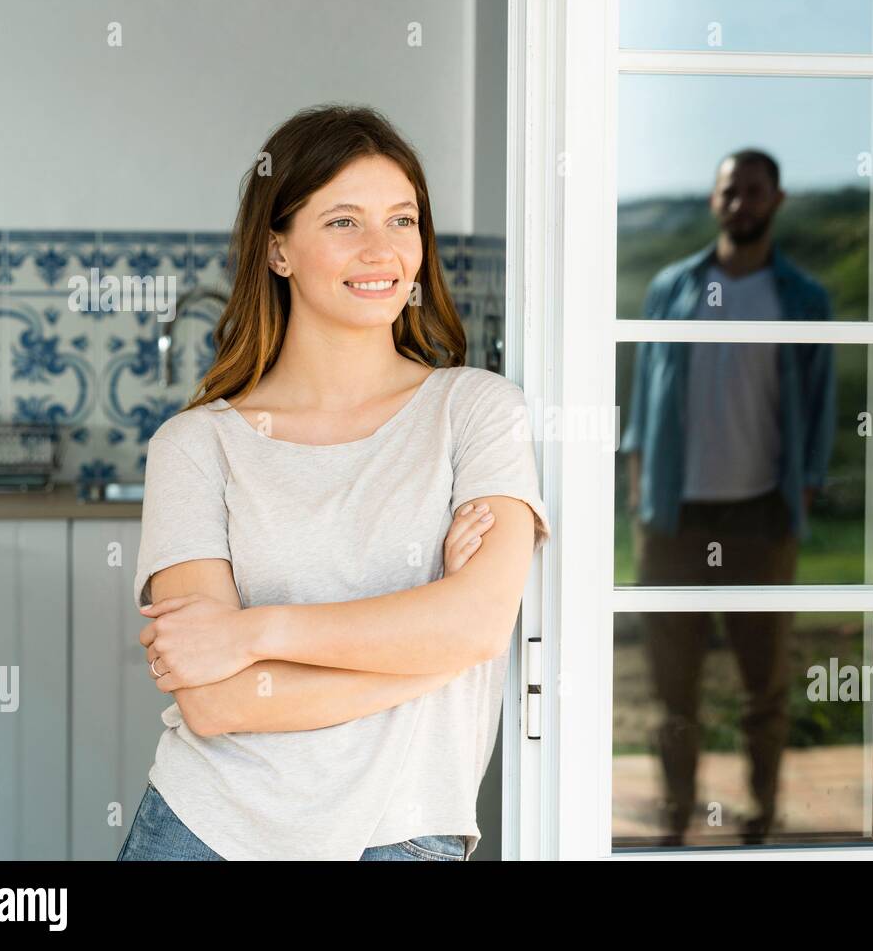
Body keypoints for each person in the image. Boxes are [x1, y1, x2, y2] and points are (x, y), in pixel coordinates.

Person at [118, 104, 550, 861]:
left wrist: (255, 632)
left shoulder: (476, 411)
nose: (382, 250)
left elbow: (479, 622)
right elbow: (216, 702)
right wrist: (433, 642)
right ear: (278, 248)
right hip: (205, 830)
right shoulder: (194, 447)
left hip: (403, 835)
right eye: (344, 222)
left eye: (403, 219)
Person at [619, 149, 835, 845]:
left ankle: (761, 820)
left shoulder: (802, 300)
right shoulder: (670, 289)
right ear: (713, 201)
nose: (739, 202)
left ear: (776, 200)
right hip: (674, 519)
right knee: (671, 690)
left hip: (761, 518)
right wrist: (639, 498)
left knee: (762, 688)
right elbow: (642, 405)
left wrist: (798, 499)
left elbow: (821, 408)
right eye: (728, 190)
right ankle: (677, 818)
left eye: (753, 191)